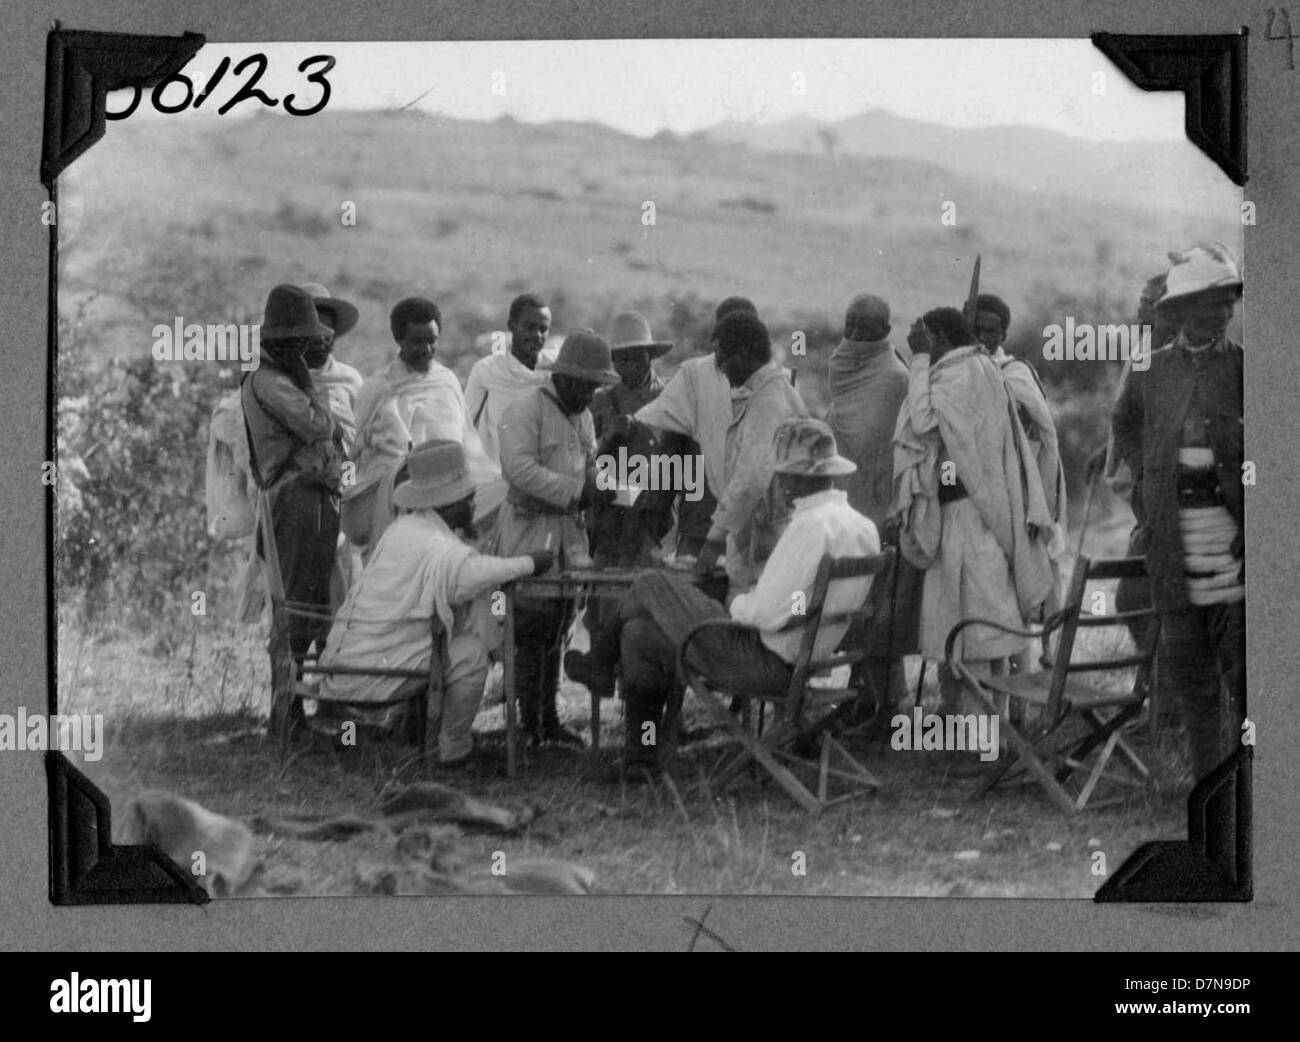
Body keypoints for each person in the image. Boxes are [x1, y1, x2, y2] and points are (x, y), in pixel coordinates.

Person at [565, 418, 881, 780]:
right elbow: (793, 601)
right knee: (639, 634)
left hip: (766, 660)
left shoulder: (809, 527)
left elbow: (764, 613)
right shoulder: (861, 525)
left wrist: (739, 602)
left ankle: (601, 664)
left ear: (793, 479)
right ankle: (640, 759)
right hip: (809, 658)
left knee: (651, 581)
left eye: (782, 475)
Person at [315, 440, 553, 767]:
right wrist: (530, 562)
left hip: (352, 662)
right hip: (373, 672)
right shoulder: (431, 542)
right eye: (468, 499)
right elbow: (469, 575)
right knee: (470, 653)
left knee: (462, 622)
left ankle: (430, 736)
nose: (473, 506)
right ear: (448, 501)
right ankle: (454, 749)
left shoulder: (406, 528)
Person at [1110, 244, 1245, 783]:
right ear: (1182, 309)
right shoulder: (1150, 370)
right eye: (1210, 303)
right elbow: (1124, 424)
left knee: (1242, 669)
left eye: (1226, 303)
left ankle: (1247, 780)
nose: (1221, 313)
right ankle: (1207, 779)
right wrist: (1149, 484)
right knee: (1190, 673)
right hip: (1172, 542)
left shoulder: (1244, 368)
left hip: (1232, 541)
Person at [891, 307, 1055, 714]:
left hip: (968, 514)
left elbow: (924, 421)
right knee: (980, 633)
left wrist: (918, 360)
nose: (919, 341)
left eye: (925, 335)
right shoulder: (976, 368)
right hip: (972, 512)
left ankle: (983, 742)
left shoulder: (961, 373)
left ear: (940, 337)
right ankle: (995, 732)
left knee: (976, 634)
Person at [496, 330, 620, 747]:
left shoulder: (582, 416)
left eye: (595, 386)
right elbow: (519, 470)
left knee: (558, 628)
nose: (590, 393)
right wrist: (577, 491)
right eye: (585, 385)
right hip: (531, 532)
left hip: (569, 538)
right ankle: (528, 723)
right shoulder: (526, 409)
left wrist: (605, 482)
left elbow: (588, 464)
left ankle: (547, 720)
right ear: (564, 377)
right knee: (530, 629)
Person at [343, 296, 497, 555]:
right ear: (399, 339)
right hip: (394, 509)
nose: (426, 349)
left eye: (432, 340)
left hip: (447, 507)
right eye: (417, 341)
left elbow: (468, 446)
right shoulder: (377, 388)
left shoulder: (447, 382)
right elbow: (350, 451)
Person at [241, 284, 344, 670]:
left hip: (311, 497)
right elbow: (319, 425)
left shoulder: (280, 377)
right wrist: (306, 378)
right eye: (297, 343)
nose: (303, 352)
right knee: (295, 606)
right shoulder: (270, 382)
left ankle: (300, 705)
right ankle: (286, 713)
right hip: (294, 498)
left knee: (314, 604)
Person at [825, 293, 914, 721]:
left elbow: (886, 447)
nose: (856, 335)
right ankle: (865, 697)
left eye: (867, 328)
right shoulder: (842, 368)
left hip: (880, 508)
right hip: (845, 503)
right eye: (850, 325)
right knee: (853, 604)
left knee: (878, 608)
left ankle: (883, 704)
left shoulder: (896, 379)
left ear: (886, 332)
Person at [633, 297, 756, 575]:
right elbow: (672, 443)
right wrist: (657, 504)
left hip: (747, 525)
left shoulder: (773, 380)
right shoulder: (695, 374)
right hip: (702, 521)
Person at [587, 311, 672, 567]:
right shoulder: (602, 399)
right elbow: (584, 462)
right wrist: (607, 438)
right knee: (607, 594)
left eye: (635, 358)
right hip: (612, 519)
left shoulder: (670, 397)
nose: (628, 367)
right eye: (620, 360)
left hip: (655, 517)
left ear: (650, 356)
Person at [464, 293, 554, 524]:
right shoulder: (487, 371)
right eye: (529, 327)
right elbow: (463, 427)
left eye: (543, 329)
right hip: (494, 486)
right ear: (512, 326)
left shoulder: (555, 373)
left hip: (544, 488)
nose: (536, 335)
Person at [301, 282, 364, 454]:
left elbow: (359, 442)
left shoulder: (350, 380)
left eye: (327, 329)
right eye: (313, 329)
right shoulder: (279, 381)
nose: (321, 337)